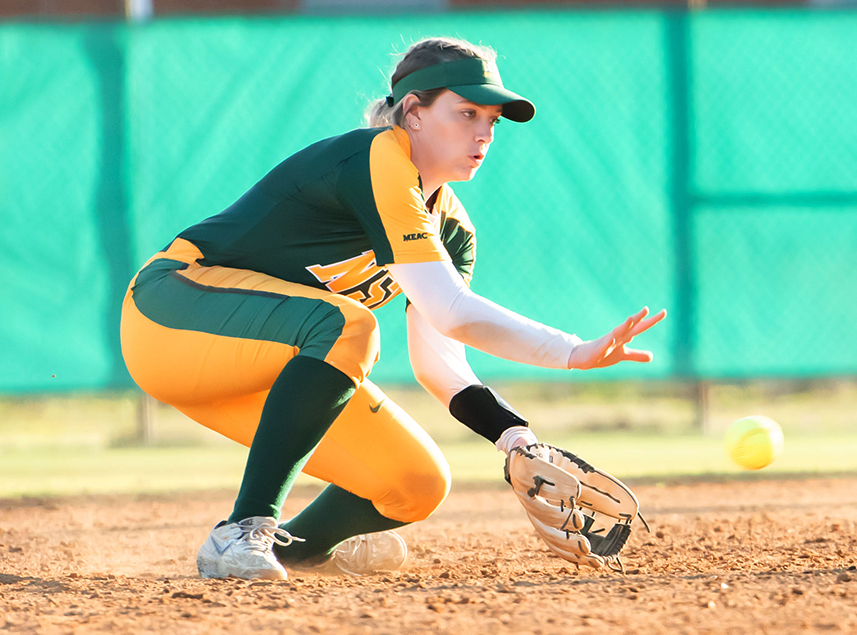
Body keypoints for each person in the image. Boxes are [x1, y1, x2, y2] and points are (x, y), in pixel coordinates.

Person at [120, 37, 665, 581]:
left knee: (417, 483)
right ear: (413, 113)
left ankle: (298, 550)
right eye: (466, 112)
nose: (483, 133)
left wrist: (515, 437)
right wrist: (572, 350)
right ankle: (240, 532)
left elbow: (440, 361)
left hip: (259, 369)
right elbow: (452, 310)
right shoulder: (378, 155)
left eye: (493, 120)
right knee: (347, 327)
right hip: (168, 315)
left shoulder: (453, 229)